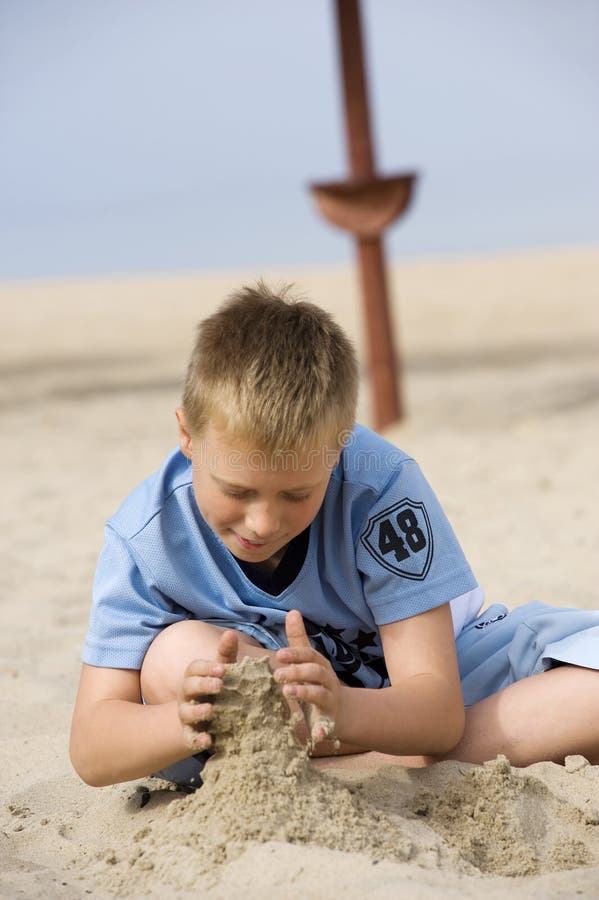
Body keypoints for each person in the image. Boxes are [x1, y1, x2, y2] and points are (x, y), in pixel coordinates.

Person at [70, 282, 599, 789]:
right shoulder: (147, 537)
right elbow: (92, 748)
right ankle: (388, 766)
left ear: (340, 448)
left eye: (297, 495)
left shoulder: (379, 486)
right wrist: (179, 724)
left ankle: (353, 768)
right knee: (174, 657)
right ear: (188, 435)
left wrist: (344, 709)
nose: (262, 523)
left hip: (438, 676)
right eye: (238, 490)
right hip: (282, 702)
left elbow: (438, 712)